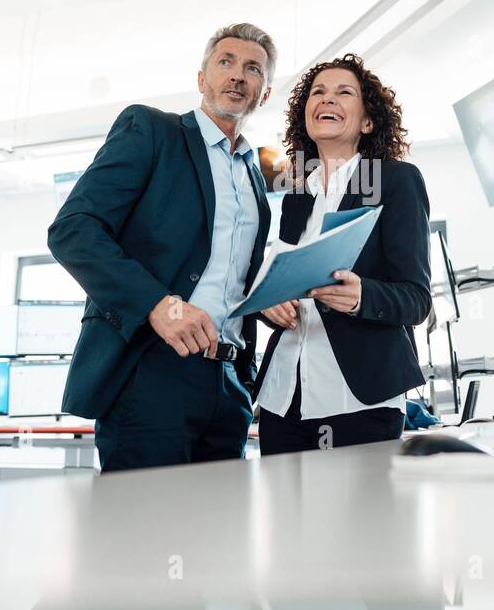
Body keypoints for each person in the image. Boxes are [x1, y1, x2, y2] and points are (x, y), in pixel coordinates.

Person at [48, 23, 277, 471]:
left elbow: (232, 279)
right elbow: (73, 230)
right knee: (146, 534)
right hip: (151, 372)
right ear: (201, 79)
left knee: (219, 535)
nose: (237, 75)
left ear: (263, 94)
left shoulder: (256, 175)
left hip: (228, 384)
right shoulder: (152, 131)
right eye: (225, 62)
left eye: (252, 68)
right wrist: (160, 305)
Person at [255, 53, 431, 454]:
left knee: (357, 518)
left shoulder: (394, 181)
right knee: (288, 517)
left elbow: (417, 299)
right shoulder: (298, 196)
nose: (326, 99)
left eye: (343, 92)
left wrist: (363, 296)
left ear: (367, 122)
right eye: (317, 92)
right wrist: (272, 304)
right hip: (283, 396)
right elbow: (286, 282)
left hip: (357, 397)